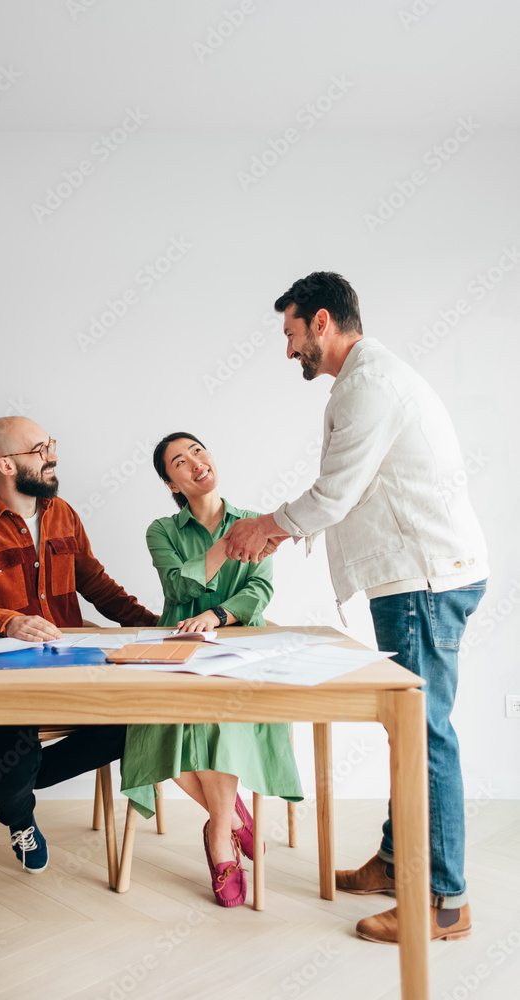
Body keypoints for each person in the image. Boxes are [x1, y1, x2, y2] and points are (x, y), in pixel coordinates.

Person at [224, 272, 488, 941]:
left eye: (289, 335)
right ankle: (400, 861)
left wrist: (265, 527)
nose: (288, 351)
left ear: (320, 321)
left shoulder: (370, 382)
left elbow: (334, 492)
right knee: (409, 727)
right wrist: (279, 528)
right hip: (411, 579)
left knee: (423, 733)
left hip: (421, 581)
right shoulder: (367, 379)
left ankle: (443, 901)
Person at [0, 416, 157, 872]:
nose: (52, 455)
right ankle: (19, 815)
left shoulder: (64, 514)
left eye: (50, 444)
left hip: (74, 667)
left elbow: (98, 586)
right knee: (18, 744)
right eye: (39, 449)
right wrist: (7, 622)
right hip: (0, 678)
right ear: (6, 465)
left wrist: (158, 627)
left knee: (143, 724)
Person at [120, 432, 303, 907]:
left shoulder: (255, 521)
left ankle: (219, 838)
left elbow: (259, 590)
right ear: (171, 483)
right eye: (180, 462)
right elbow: (179, 587)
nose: (195, 463)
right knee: (157, 733)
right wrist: (227, 545)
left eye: (198, 452)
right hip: (178, 645)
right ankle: (237, 821)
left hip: (240, 645)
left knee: (217, 721)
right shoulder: (161, 529)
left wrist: (218, 616)